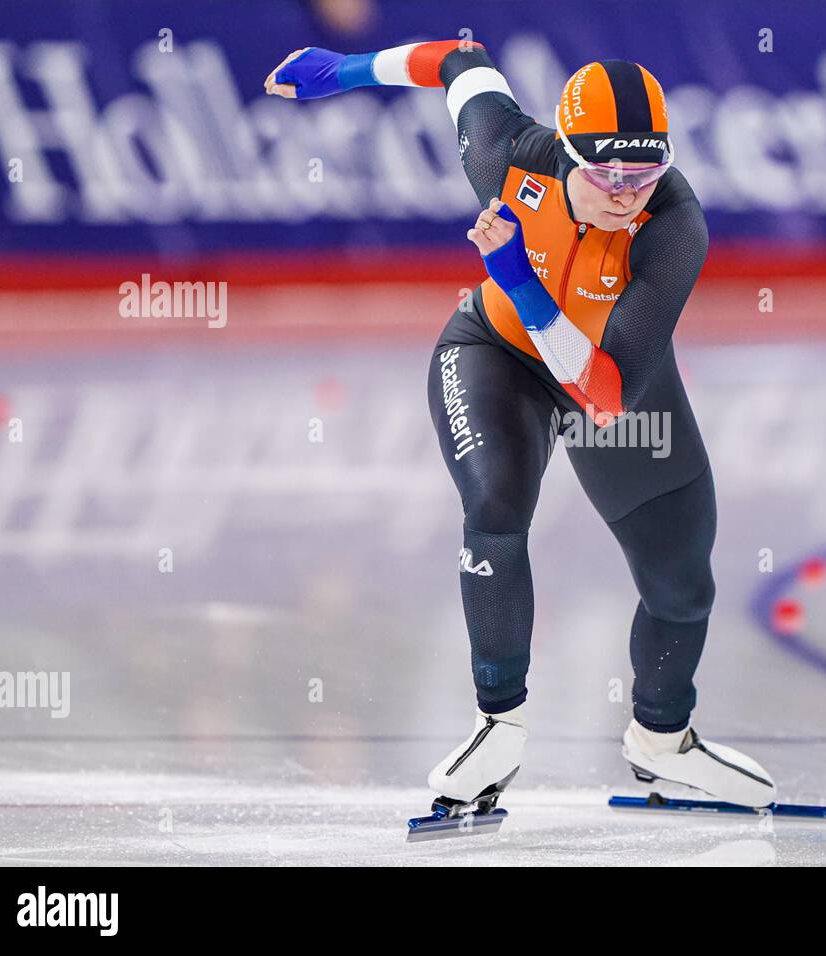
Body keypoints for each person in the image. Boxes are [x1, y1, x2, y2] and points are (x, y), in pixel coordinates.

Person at [265, 41, 777, 810]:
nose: (625, 194)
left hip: (610, 376)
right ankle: (497, 728)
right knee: (496, 509)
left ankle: (664, 741)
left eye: (644, 174)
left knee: (683, 580)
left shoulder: (675, 228)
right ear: (568, 153)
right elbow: (455, 61)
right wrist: (343, 71)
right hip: (496, 354)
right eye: (606, 174)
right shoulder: (506, 154)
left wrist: (519, 279)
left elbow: (604, 399)